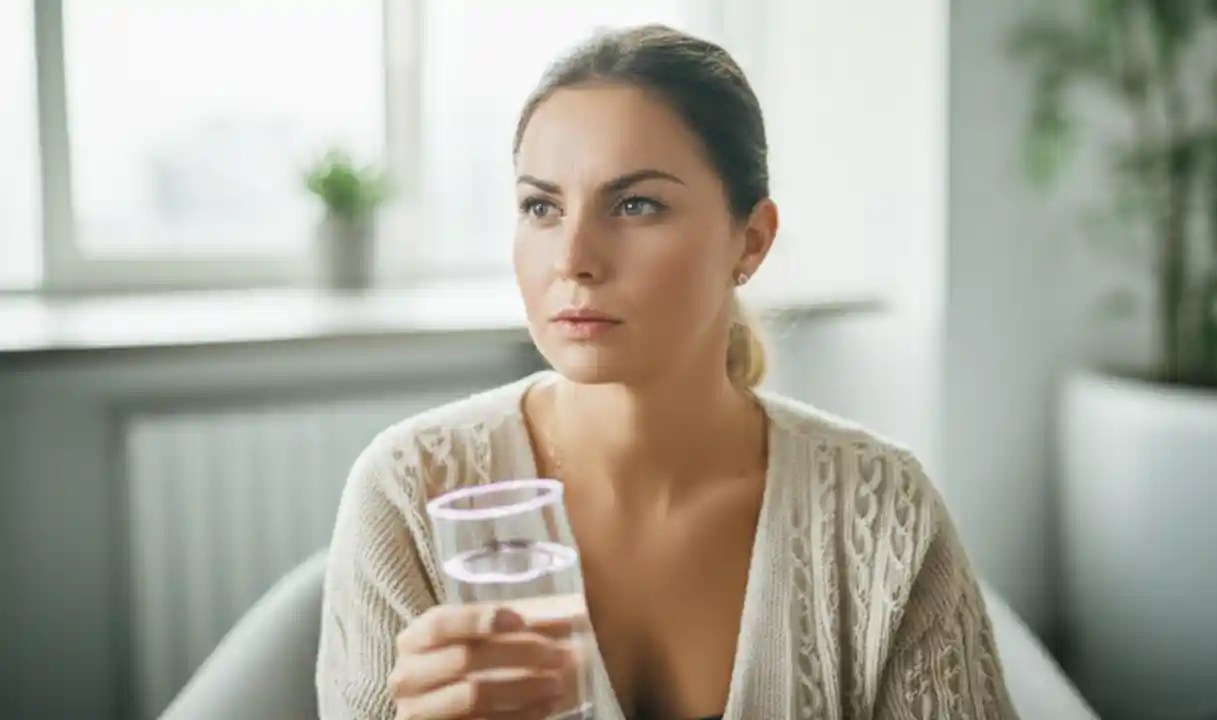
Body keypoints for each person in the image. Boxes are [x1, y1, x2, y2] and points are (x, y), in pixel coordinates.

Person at [318, 24, 1016, 720]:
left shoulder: (883, 511)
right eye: (541, 207)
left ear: (751, 240)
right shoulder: (410, 491)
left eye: (635, 205)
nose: (574, 257)